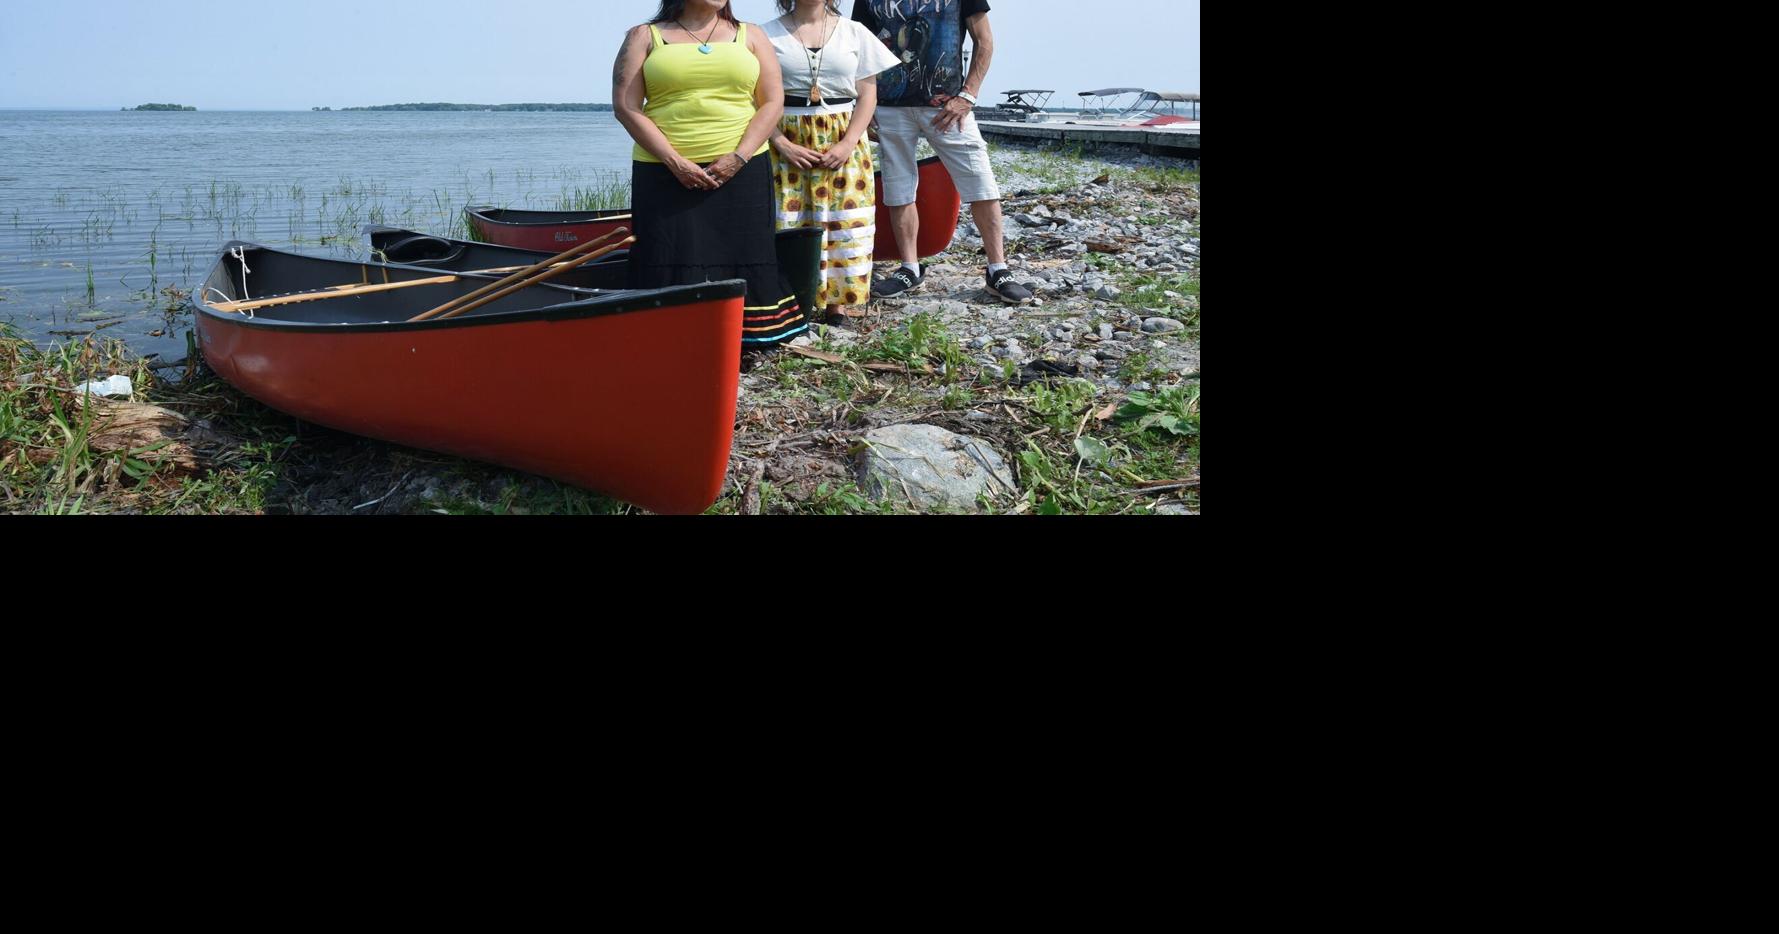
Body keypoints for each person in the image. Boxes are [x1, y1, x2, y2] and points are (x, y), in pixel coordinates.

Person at [612, 0, 805, 345]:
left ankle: (751, 339)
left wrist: (740, 156)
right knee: (665, 251)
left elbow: (773, 102)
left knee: (744, 251)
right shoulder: (644, 36)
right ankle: (668, 337)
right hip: (662, 170)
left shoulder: (752, 35)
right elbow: (626, 107)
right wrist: (674, 161)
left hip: (742, 167)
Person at [852, 0, 1034, 304]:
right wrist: (863, 104)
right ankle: (909, 268)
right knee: (898, 188)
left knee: (981, 182)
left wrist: (968, 94)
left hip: (948, 106)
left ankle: (997, 270)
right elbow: (860, 50)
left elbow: (984, 40)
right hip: (889, 106)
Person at [762, 0, 900, 320]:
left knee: (846, 221)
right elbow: (756, 97)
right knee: (788, 220)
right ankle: (795, 302)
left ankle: (838, 304)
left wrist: (849, 142)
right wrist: (781, 143)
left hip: (844, 135)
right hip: (787, 136)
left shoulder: (855, 32)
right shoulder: (765, 36)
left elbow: (868, 95)